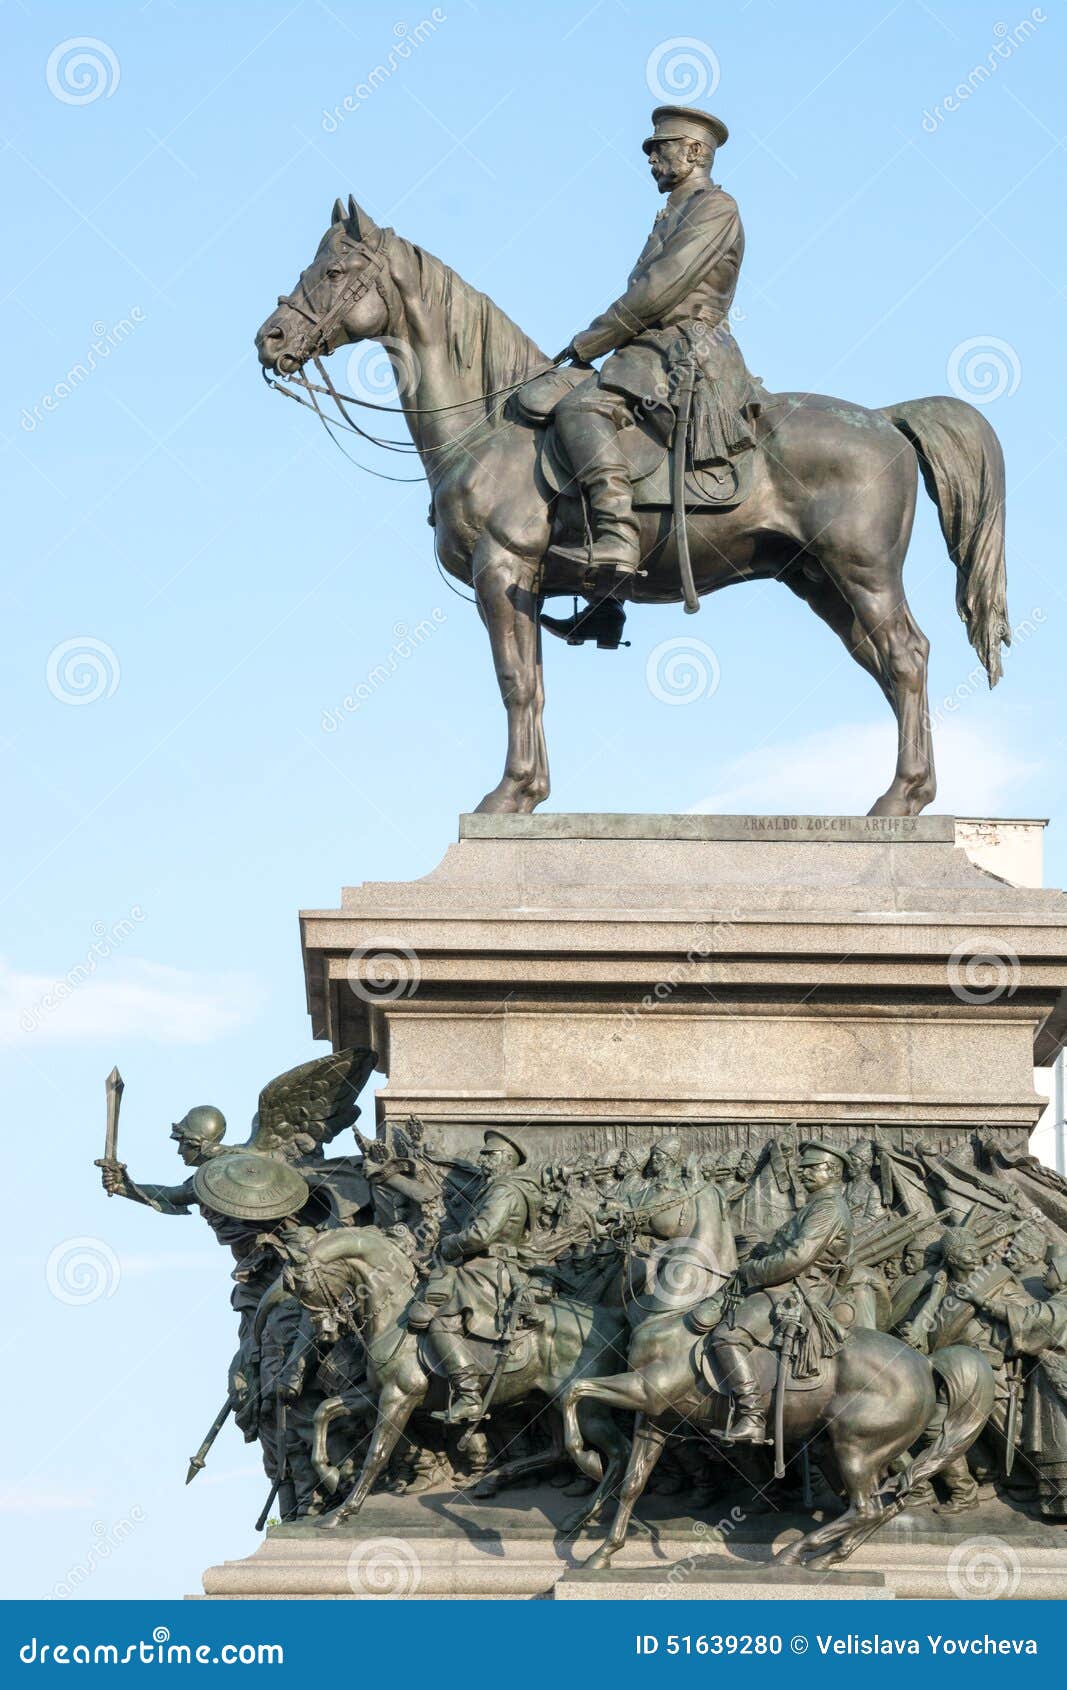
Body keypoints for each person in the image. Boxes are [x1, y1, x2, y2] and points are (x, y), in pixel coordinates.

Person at [546, 104, 760, 581]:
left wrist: (592, 339)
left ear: (695, 151)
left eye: (659, 148)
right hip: (655, 345)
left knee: (581, 409)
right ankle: (602, 599)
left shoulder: (714, 207)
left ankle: (618, 535)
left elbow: (661, 287)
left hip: (686, 347)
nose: (650, 159)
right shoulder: (673, 211)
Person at [698, 1141, 853, 1443]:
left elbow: (797, 1258)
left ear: (833, 1171)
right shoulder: (816, 1204)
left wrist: (750, 1271)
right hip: (787, 1283)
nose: (802, 1171)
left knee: (727, 1335)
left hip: (801, 1289)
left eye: (811, 1167)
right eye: (802, 1166)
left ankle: (752, 1415)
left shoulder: (829, 1208)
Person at [407, 1130, 542, 1423]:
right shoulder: (497, 1187)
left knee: (441, 1320)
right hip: (485, 1265)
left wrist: (449, 1243)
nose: (482, 1159)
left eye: (488, 1155)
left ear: (506, 1159)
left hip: (488, 1270)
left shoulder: (504, 1190)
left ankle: (468, 1395)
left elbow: (483, 1233)